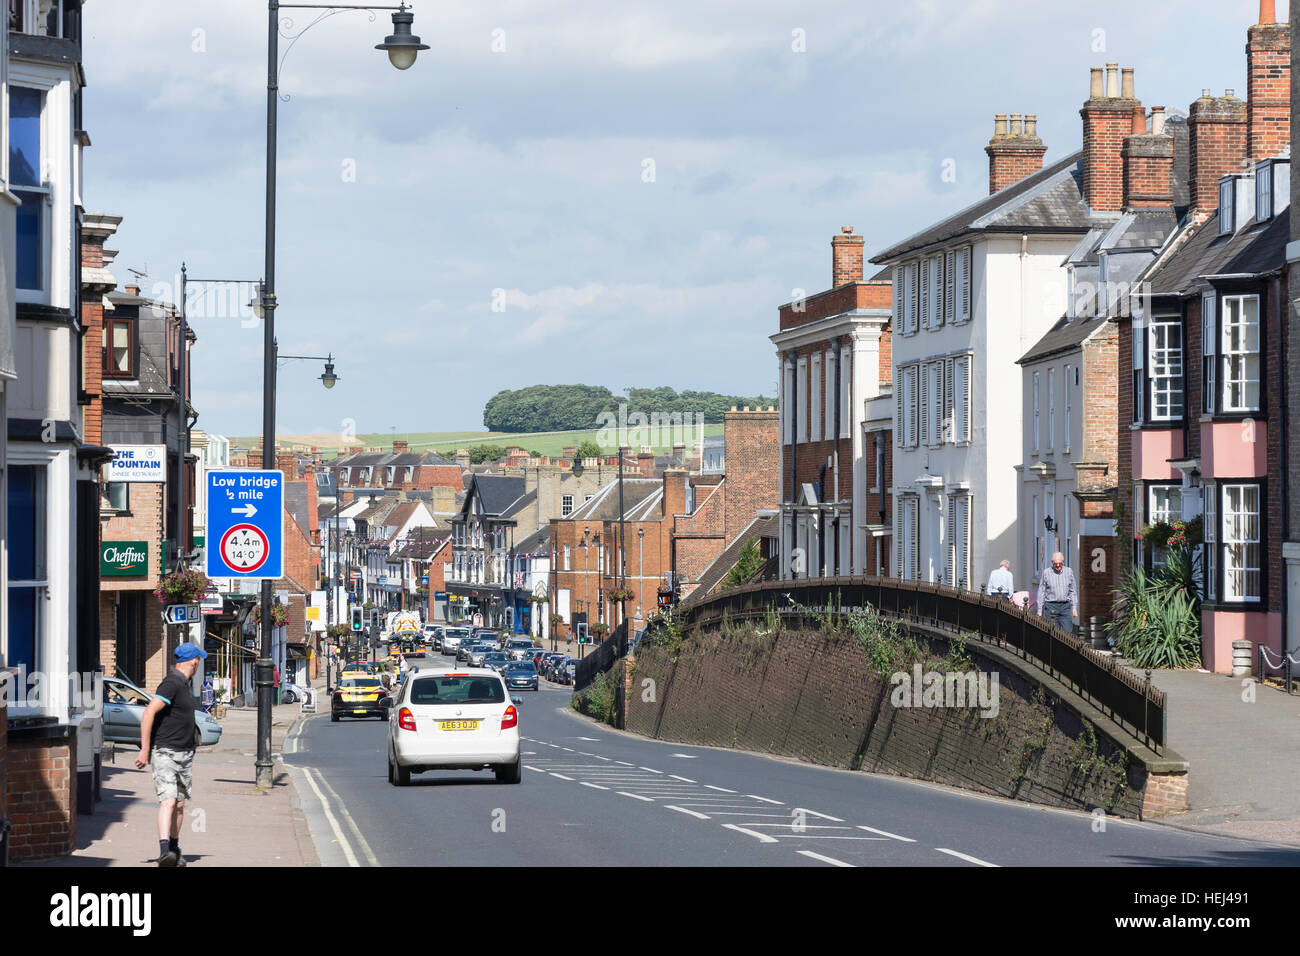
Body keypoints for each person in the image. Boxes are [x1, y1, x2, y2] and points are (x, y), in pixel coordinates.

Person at [136, 642, 207, 867]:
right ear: (193, 661)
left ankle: (175, 850)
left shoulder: (185, 683)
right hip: (165, 751)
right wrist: (145, 749)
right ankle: (164, 851)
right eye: (198, 659)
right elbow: (149, 712)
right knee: (168, 800)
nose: (198, 663)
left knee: (179, 804)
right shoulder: (172, 683)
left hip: (184, 754)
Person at [1036, 551, 1079, 635]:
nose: (1058, 566)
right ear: (1052, 562)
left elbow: (1073, 591)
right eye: (1056, 564)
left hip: (1065, 606)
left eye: (1060, 563)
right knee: (1052, 632)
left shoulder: (1069, 572)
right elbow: (1041, 592)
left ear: (1063, 562)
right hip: (1051, 606)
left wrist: (1074, 608)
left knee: (1068, 632)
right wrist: (1039, 611)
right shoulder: (1046, 573)